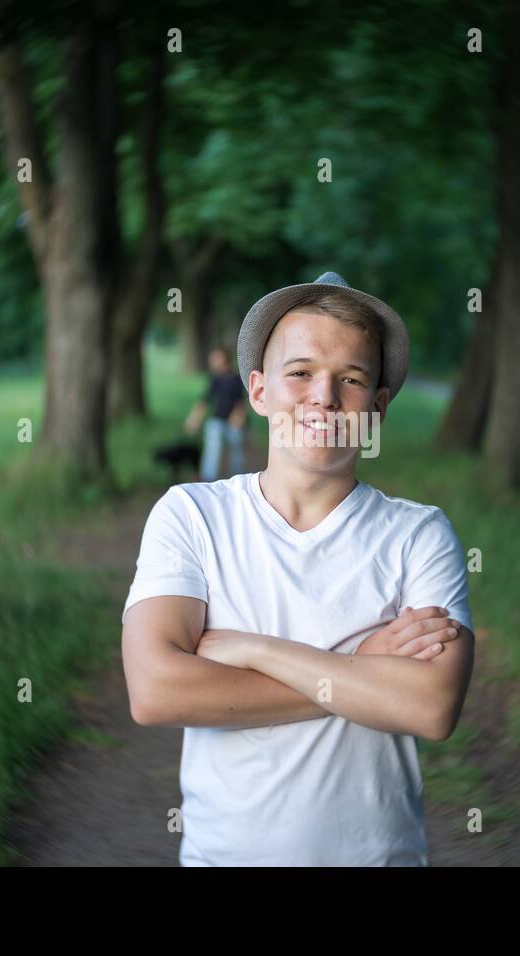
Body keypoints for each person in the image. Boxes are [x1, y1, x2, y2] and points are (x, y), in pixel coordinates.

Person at [120, 271, 475, 866]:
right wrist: (360, 672)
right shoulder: (192, 516)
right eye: (301, 372)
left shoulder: (419, 534)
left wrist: (255, 651)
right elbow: (155, 691)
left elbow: (431, 707)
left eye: (352, 379)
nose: (324, 397)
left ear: (378, 407)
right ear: (258, 391)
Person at [184, 347, 247, 482]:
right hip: (216, 420)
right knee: (212, 450)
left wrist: (238, 416)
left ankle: (238, 479)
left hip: (233, 421)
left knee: (236, 451)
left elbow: (241, 401)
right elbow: (205, 400)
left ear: (225, 358)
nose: (213, 361)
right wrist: (194, 419)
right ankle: (208, 479)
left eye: (216, 358)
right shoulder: (215, 379)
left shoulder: (236, 378)